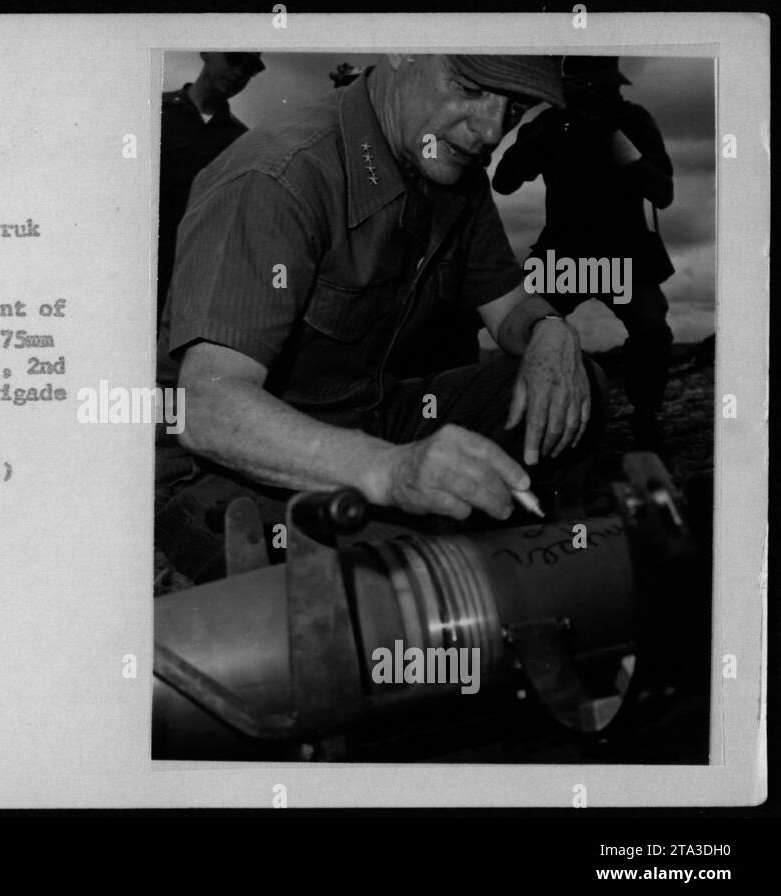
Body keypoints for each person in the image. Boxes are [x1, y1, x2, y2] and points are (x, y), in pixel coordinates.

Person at [156, 54, 606, 584]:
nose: (491, 130)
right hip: (222, 473)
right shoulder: (280, 173)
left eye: (516, 107)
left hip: (364, 419)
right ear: (400, 49)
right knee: (431, 581)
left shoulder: (453, 167)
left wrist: (551, 332)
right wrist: (391, 472)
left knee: (577, 390)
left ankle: (564, 565)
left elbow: (509, 310)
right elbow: (206, 411)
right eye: (468, 86)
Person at [493, 56, 674, 450]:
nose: (608, 95)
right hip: (565, 254)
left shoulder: (632, 121)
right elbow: (504, 181)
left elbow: (663, 192)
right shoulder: (551, 124)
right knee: (518, 327)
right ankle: (517, 413)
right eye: (597, 88)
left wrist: (614, 139)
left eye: (609, 89)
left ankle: (645, 414)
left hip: (624, 255)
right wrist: (555, 128)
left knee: (651, 330)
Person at [158, 52, 266, 322]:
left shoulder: (243, 142)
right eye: (234, 58)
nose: (240, 72)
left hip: (190, 285)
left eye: (251, 68)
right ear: (207, 52)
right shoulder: (153, 111)